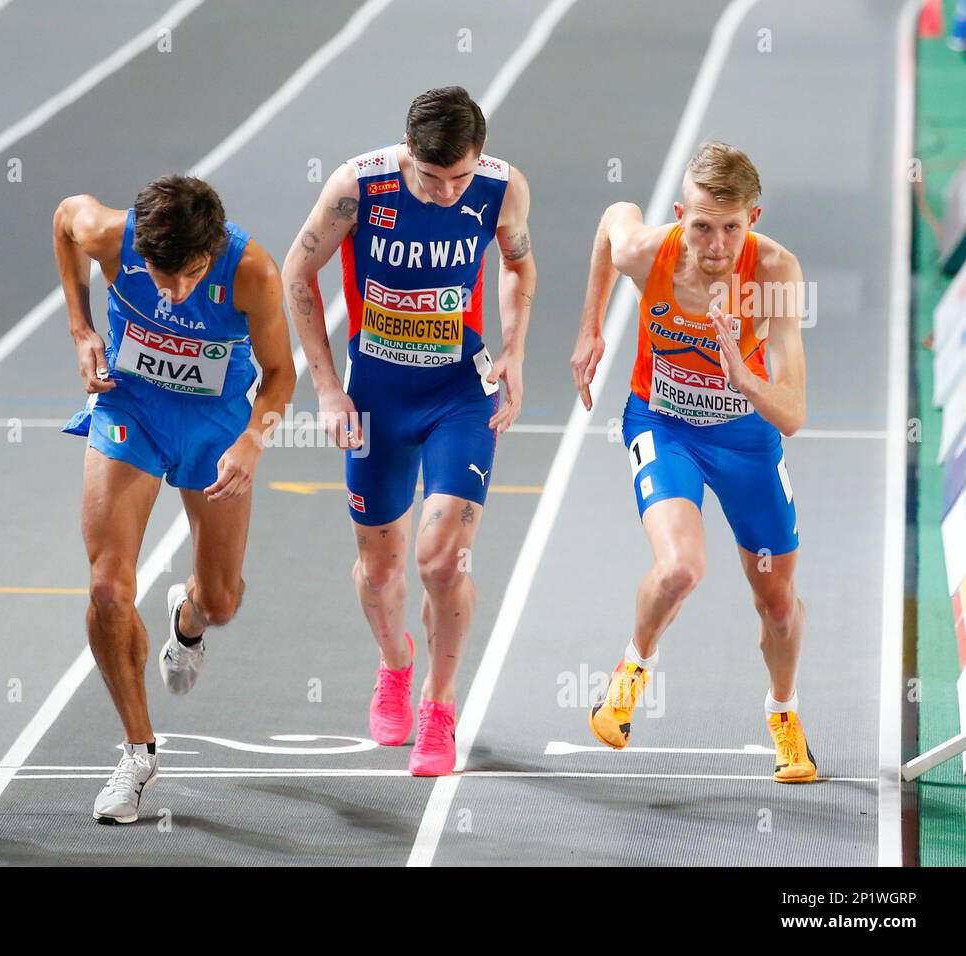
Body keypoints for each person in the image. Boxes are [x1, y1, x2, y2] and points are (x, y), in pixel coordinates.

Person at [282, 87, 536, 776]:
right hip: (377, 401)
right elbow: (296, 273)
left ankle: (439, 702)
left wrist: (513, 349)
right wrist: (328, 388)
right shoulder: (357, 186)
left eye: (460, 176)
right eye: (432, 178)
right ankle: (395, 665)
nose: (449, 192)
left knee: (440, 560)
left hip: (460, 395)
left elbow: (518, 266)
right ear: (407, 152)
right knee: (380, 571)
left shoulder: (503, 188)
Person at [570, 141, 816, 782]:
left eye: (730, 228)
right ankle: (632, 671)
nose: (714, 244)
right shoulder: (647, 253)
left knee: (778, 603)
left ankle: (784, 713)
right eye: (701, 226)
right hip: (663, 423)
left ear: (752, 220)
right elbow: (612, 218)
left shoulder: (775, 274)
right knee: (680, 567)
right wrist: (591, 326)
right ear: (680, 216)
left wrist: (742, 375)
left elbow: (791, 411)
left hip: (745, 438)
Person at [55, 175, 295, 823]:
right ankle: (137, 752)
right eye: (162, 277)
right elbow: (64, 217)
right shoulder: (110, 234)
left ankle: (187, 619)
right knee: (107, 587)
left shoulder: (253, 273)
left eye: (189, 275)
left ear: (211, 253)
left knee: (222, 599)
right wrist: (81, 328)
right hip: (129, 409)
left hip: (214, 425)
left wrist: (254, 441)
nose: (175, 292)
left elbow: (280, 376)